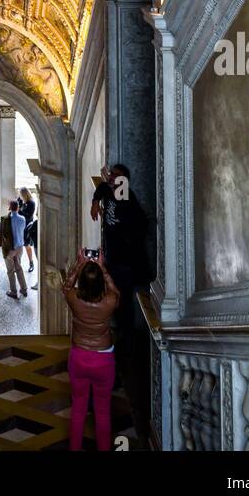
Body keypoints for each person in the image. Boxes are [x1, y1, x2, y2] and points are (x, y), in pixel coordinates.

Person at [91, 163, 151, 440]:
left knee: (124, 313)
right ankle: (119, 351)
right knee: (116, 308)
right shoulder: (108, 190)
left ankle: (123, 355)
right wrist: (96, 202)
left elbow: (140, 223)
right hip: (114, 263)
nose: (110, 178)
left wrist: (127, 242)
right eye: (111, 174)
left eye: (116, 175)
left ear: (124, 180)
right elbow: (102, 187)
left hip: (126, 266)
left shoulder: (127, 198)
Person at [62, 249, 119, 451]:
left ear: (82, 283)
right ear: (100, 283)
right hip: (103, 361)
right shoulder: (110, 301)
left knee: (78, 409)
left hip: (78, 358)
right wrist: (102, 268)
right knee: (102, 412)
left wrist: (79, 265)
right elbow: (116, 292)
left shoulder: (73, 298)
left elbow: (66, 285)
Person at [0, 199, 28, 300]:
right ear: (18, 207)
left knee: (10, 271)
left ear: (10, 208)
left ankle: (13, 291)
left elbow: (0, 234)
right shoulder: (22, 219)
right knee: (19, 268)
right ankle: (24, 289)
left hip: (9, 249)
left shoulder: (4, 219)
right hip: (19, 247)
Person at [18, 186, 37, 277]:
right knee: (19, 246)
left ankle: (31, 263)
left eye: (21, 195)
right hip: (20, 226)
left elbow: (28, 216)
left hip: (27, 226)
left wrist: (19, 211)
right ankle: (18, 265)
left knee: (27, 245)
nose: (19, 196)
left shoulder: (31, 203)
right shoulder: (22, 201)